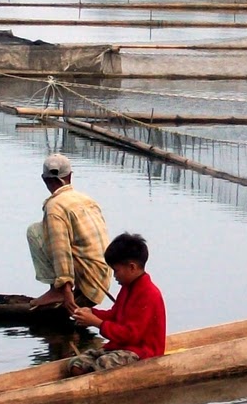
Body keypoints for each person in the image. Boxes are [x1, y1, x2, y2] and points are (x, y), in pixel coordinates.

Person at [67, 233, 166, 375]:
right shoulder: (127, 288)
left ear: (132, 267)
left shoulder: (149, 294)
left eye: (116, 270)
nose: (115, 276)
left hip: (143, 352)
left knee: (102, 364)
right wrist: (91, 313)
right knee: (76, 363)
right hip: (121, 348)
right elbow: (114, 315)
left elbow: (131, 335)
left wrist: (97, 323)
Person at [26, 152, 111, 311]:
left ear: (44, 180)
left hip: (88, 280)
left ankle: (56, 290)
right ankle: (67, 287)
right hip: (102, 280)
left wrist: (65, 291)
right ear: (70, 176)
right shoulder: (87, 199)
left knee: (35, 231)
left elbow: (61, 250)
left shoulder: (54, 207)